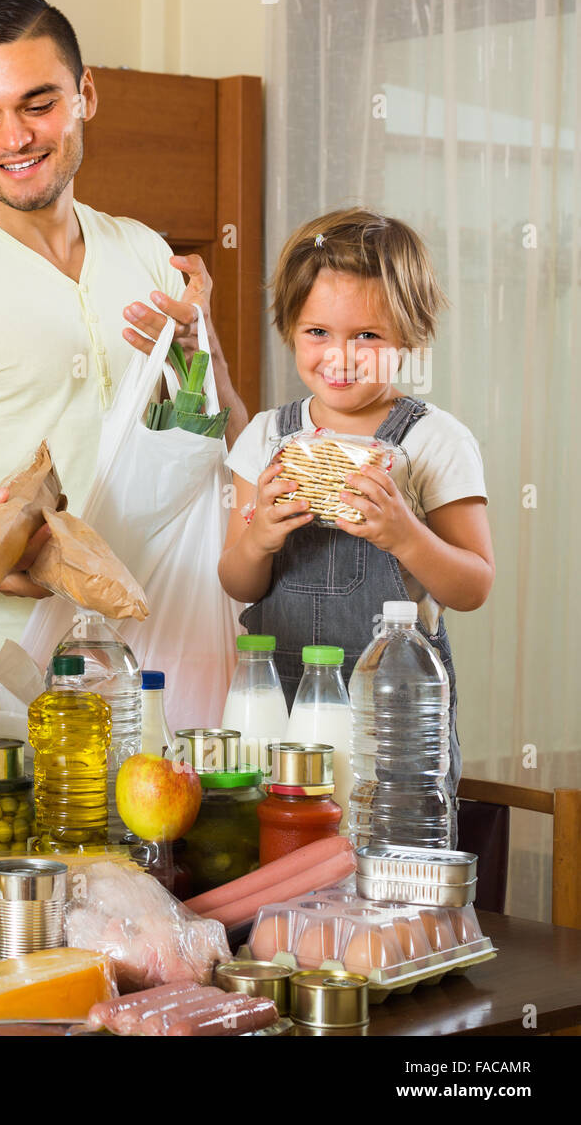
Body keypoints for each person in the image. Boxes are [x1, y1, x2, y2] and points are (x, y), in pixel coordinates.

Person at [0, 0, 248, 673]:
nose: (13, 138)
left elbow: (232, 457)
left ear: (85, 94)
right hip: (6, 680)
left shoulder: (149, 255)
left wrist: (204, 354)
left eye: (38, 105)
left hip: (165, 656)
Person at [219, 206, 495, 800]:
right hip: (282, 709)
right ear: (291, 327)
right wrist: (261, 537)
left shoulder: (434, 441)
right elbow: (238, 582)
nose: (340, 357)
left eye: (367, 335)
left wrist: (404, 534)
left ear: (409, 336)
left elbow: (472, 587)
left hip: (393, 716)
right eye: (318, 332)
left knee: (382, 864)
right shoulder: (266, 438)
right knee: (286, 854)